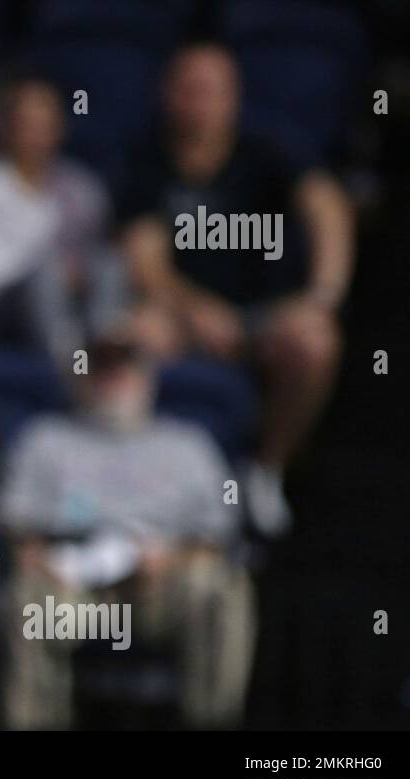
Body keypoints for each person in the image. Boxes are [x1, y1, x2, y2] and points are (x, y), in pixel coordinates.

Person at [118, 42, 354, 536]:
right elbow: (144, 259)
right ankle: (144, 483)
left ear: (233, 96)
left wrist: (322, 296)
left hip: (266, 315)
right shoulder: (146, 159)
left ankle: (266, 465)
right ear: (168, 93)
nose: (199, 100)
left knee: (316, 341)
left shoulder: (268, 149)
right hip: (181, 314)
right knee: (134, 334)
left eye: (212, 89)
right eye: (189, 88)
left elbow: (327, 206)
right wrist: (196, 310)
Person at [0, 328, 254, 729]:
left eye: (127, 365)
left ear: (148, 375)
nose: (114, 376)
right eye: (102, 365)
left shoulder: (188, 445)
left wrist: (169, 558)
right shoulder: (46, 440)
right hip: (78, 593)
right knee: (30, 596)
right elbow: (19, 535)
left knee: (221, 587)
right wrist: (50, 562)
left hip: (163, 586)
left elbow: (217, 539)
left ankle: (212, 721)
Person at [0, 75, 126, 363]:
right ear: (5, 126)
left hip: (71, 300)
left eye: (45, 124)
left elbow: (92, 258)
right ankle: (67, 367)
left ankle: (106, 355)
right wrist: (53, 270)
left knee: (108, 265)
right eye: (26, 124)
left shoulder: (81, 186)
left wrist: (71, 274)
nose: (36, 135)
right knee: (46, 277)